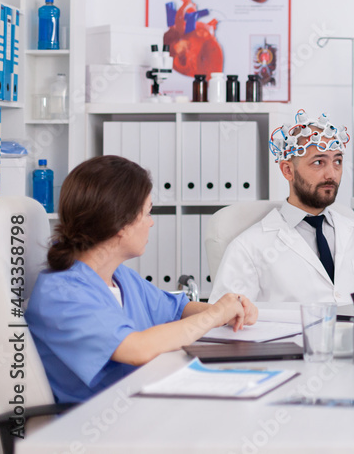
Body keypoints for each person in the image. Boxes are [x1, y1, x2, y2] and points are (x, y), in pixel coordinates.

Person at [25, 156, 257, 403]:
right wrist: (215, 315)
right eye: (148, 213)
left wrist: (231, 308)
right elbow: (137, 349)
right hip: (96, 423)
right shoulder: (62, 293)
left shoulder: (119, 277)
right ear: (121, 223)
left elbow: (177, 308)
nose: (152, 222)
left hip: (142, 403)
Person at [210, 109, 354, 303]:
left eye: (338, 162)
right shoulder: (249, 247)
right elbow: (222, 319)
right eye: (318, 162)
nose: (331, 174)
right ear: (288, 170)